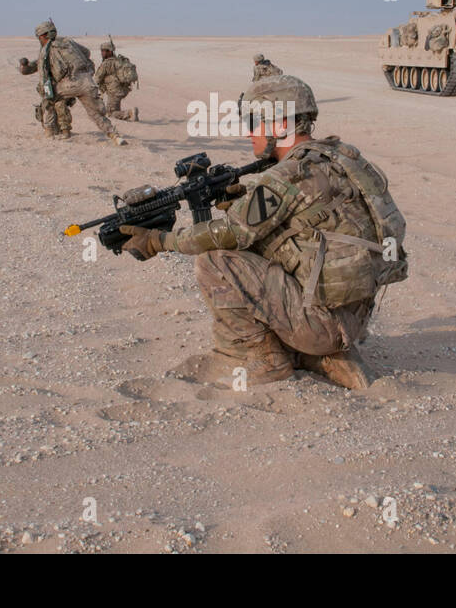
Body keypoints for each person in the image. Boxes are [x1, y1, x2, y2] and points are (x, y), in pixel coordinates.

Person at [118, 73, 407, 390]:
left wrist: (160, 241)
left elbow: (229, 234)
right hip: (356, 319)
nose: (248, 132)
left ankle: (260, 359)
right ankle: (322, 354)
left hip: (321, 326)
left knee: (215, 261)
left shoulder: (288, 175)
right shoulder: (343, 158)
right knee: (261, 247)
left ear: (280, 124)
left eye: (254, 121)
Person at [19, 20, 124, 144]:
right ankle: (115, 136)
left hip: (69, 83)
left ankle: (50, 131)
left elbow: (44, 78)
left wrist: (47, 94)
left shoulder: (45, 51)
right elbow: (86, 52)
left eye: (39, 37)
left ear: (42, 36)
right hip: (87, 81)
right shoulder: (68, 41)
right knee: (95, 114)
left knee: (49, 99)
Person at [95, 39, 138, 122]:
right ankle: (128, 116)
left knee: (110, 113)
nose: (102, 53)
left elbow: (97, 78)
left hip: (114, 91)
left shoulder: (107, 63)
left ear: (110, 51)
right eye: (102, 51)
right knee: (115, 109)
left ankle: (130, 113)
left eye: (104, 51)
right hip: (123, 89)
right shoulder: (119, 61)